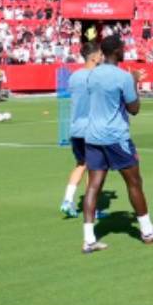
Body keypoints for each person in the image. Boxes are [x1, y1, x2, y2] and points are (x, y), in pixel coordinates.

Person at [79, 35, 153, 253]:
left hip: (93, 136)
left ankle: (89, 238)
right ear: (118, 51)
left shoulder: (91, 75)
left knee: (93, 185)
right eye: (123, 48)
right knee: (134, 182)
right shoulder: (123, 77)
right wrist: (134, 83)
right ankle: (147, 230)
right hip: (115, 136)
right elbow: (134, 109)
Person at [59, 41, 101, 217]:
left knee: (80, 164)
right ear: (93, 56)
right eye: (99, 54)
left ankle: (68, 200)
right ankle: (91, 207)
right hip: (91, 129)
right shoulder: (96, 77)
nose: (101, 57)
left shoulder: (74, 76)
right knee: (94, 169)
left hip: (75, 128)